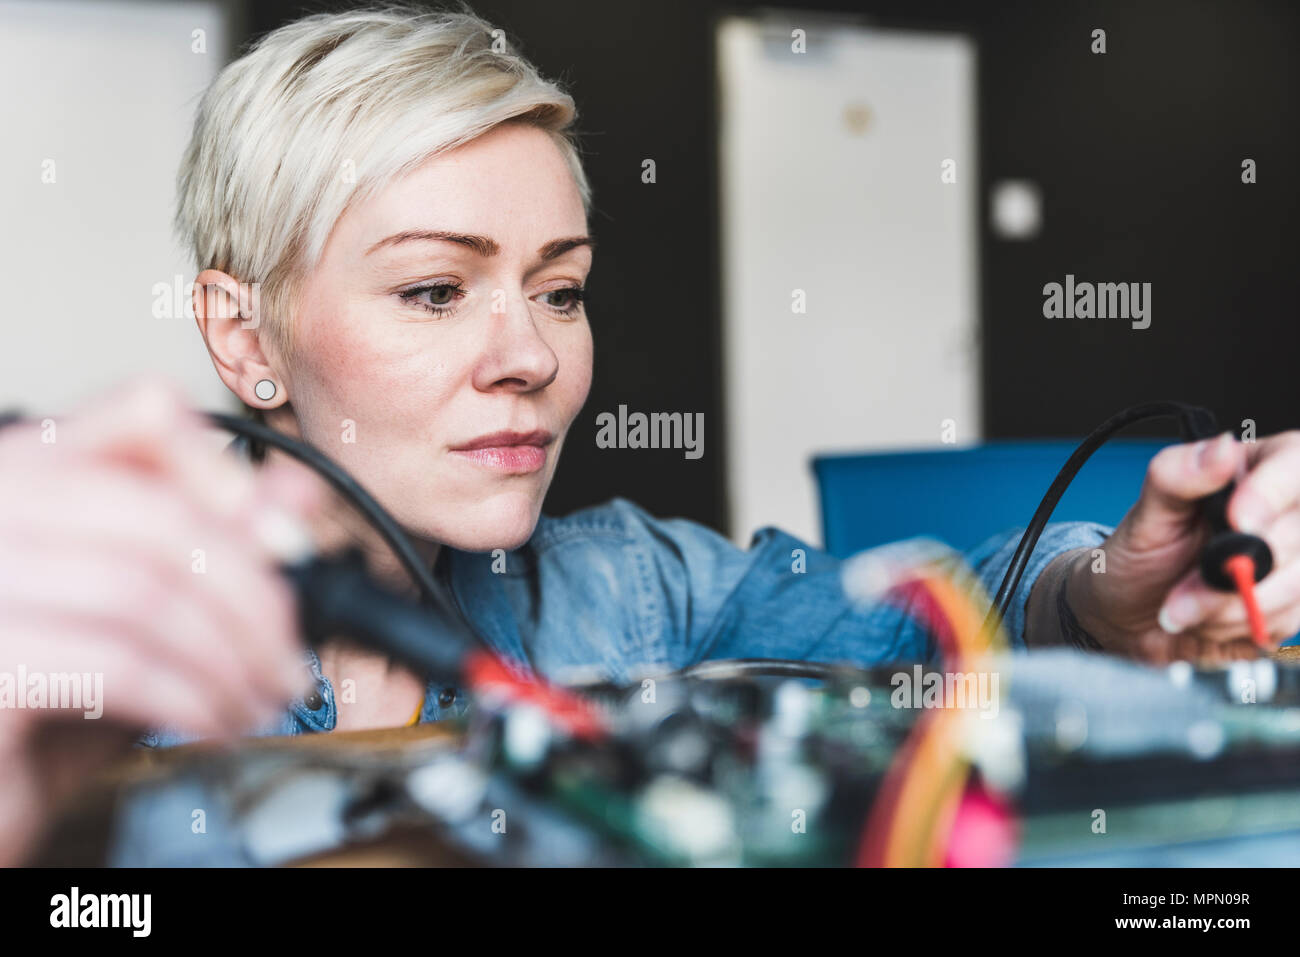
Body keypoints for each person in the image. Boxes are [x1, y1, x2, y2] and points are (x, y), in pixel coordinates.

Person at [4, 4, 1300, 866]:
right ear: (241, 338)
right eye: (435, 289)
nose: (531, 356)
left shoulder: (630, 583)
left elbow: (921, 623)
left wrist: (1101, 590)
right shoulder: (74, 635)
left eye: (560, 289)